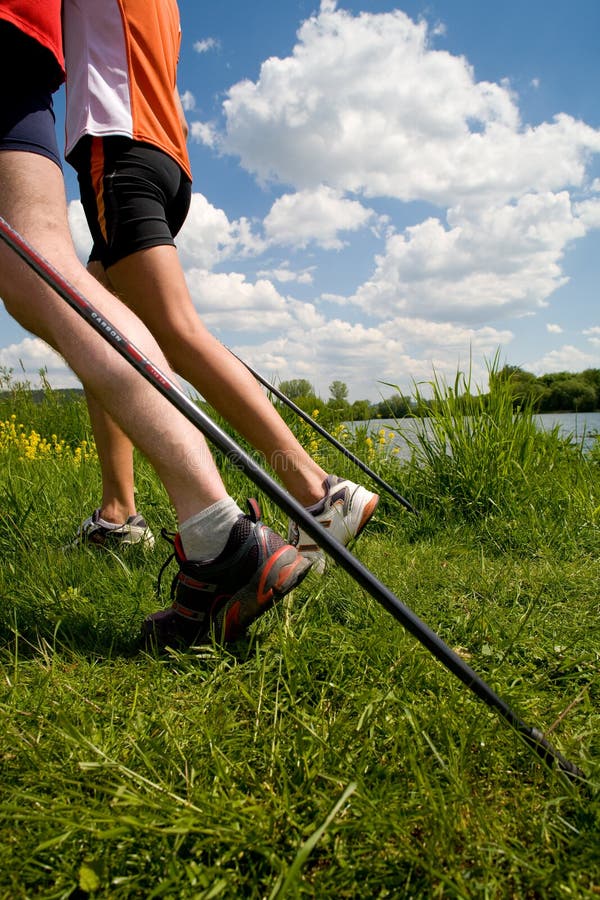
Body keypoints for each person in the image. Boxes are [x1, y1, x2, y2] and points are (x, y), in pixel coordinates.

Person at [0, 0, 313, 648]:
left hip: (116, 139)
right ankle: (190, 521)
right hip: (46, 61)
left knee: (159, 321)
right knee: (45, 268)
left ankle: (308, 492)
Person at [60, 0, 379, 581]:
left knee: (174, 334)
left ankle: (319, 491)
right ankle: (118, 513)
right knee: (94, 322)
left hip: (118, 145)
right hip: (168, 160)